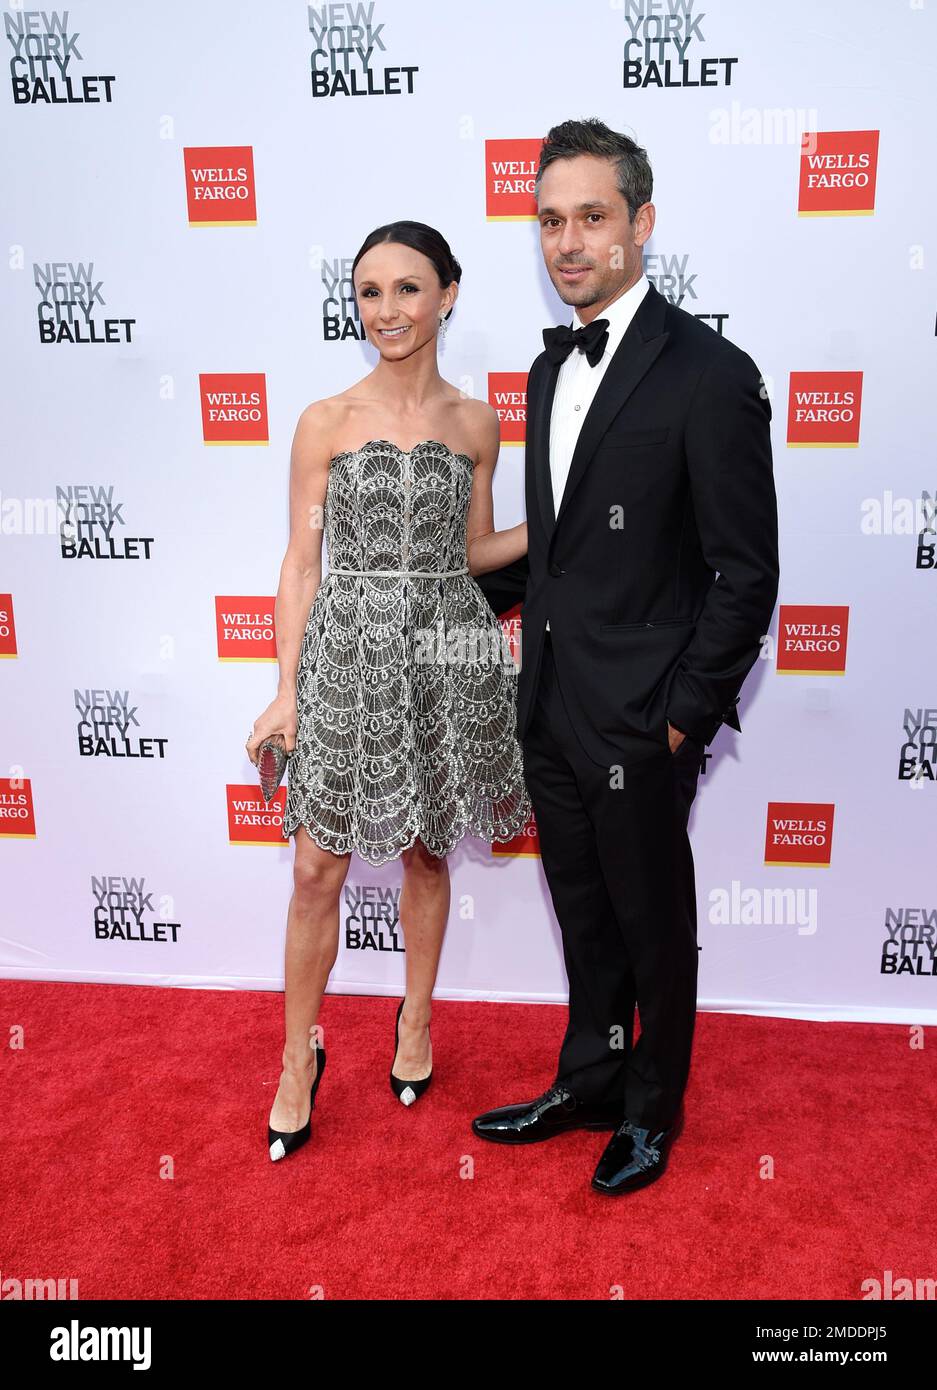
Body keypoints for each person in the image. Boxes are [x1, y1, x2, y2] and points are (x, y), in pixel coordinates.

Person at [471, 118, 780, 1195]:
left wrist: (682, 714)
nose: (568, 241)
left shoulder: (711, 374)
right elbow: (553, 556)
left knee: (653, 923)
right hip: (552, 701)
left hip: (645, 714)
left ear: (641, 224)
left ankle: (653, 1107)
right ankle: (591, 1077)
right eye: (550, 221)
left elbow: (745, 573)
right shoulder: (549, 367)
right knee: (585, 910)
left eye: (591, 217)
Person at [247, 221, 531, 1162]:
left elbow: (473, 555)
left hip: (446, 650)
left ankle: (415, 1022)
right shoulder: (324, 420)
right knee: (312, 872)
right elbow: (300, 562)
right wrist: (285, 688)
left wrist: (558, 527)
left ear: (448, 294)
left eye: (408, 289)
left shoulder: (477, 422)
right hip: (349, 653)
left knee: (424, 854)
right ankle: (298, 1057)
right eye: (368, 292)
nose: (387, 310)